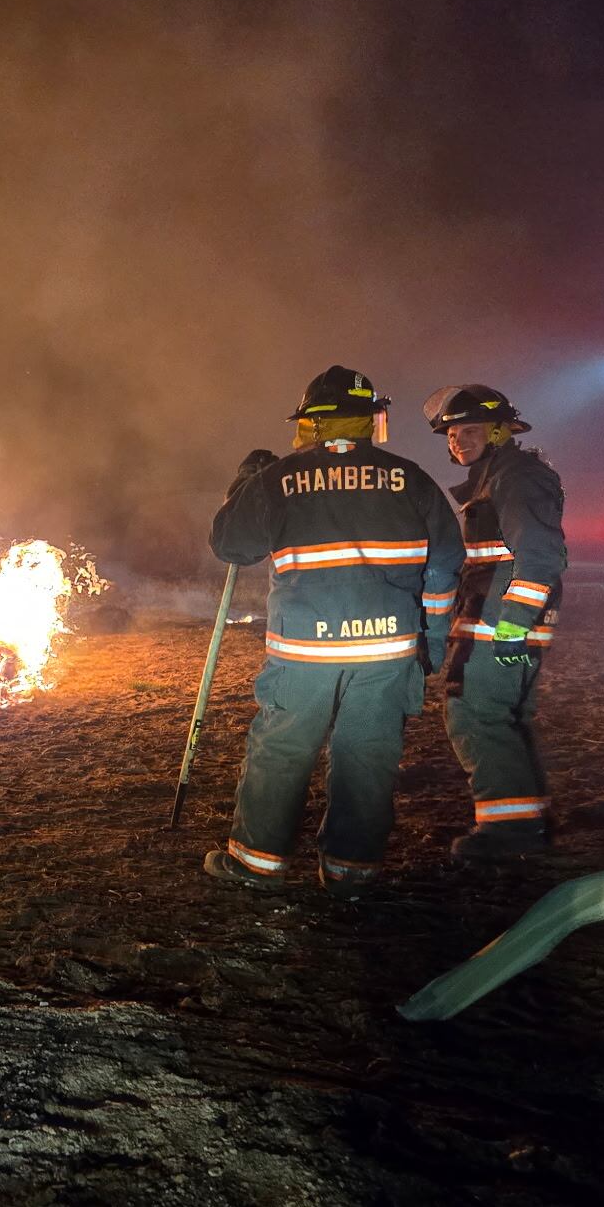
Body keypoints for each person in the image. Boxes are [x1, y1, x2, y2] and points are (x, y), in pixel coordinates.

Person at [205, 367, 465, 898]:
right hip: (388, 651)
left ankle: (258, 864)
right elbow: (444, 566)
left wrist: (244, 485)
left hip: (305, 651)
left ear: (312, 422)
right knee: (368, 753)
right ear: (372, 420)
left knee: (283, 749)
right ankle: (351, 871)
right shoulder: (411, 479)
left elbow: (231, 545)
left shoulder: (278, 480)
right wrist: (431, 643)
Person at [423, 384, 566, 859]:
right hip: (497, 617)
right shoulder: (500, 474)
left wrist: (513, 623)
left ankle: (510, 831)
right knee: (506, 717)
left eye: (470, 430)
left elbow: (540, 555)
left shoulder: (515, 477)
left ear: (500, 431)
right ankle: (528, 820)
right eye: (451, 434)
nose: (457, 440)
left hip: (501, 621)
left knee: (475, 711)